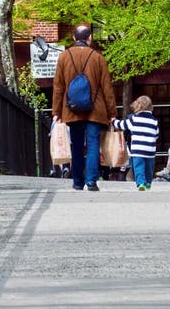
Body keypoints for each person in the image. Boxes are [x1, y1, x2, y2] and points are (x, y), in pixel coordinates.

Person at [52, 24, 117, 192]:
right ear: (90, 38)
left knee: (77, 145)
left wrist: (56, 112)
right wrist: (112, 112)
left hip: (71, 109)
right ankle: (91, 181)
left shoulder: (64, 57)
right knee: (94, 144)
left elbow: (58, 87)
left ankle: (77, 182)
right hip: (95, 110)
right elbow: (107, 87)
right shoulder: (98, 58)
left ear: (74, 38)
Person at [111, 95, 159, 191]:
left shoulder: (134, 119)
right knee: (149, 168)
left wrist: (113, 121)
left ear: (137, 106)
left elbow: (122, 125)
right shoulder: (154, 120)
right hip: (150, 150)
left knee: (138, 167)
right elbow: (156, 134)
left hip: (137, 150)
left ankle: (141, 183)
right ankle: (148, 183)